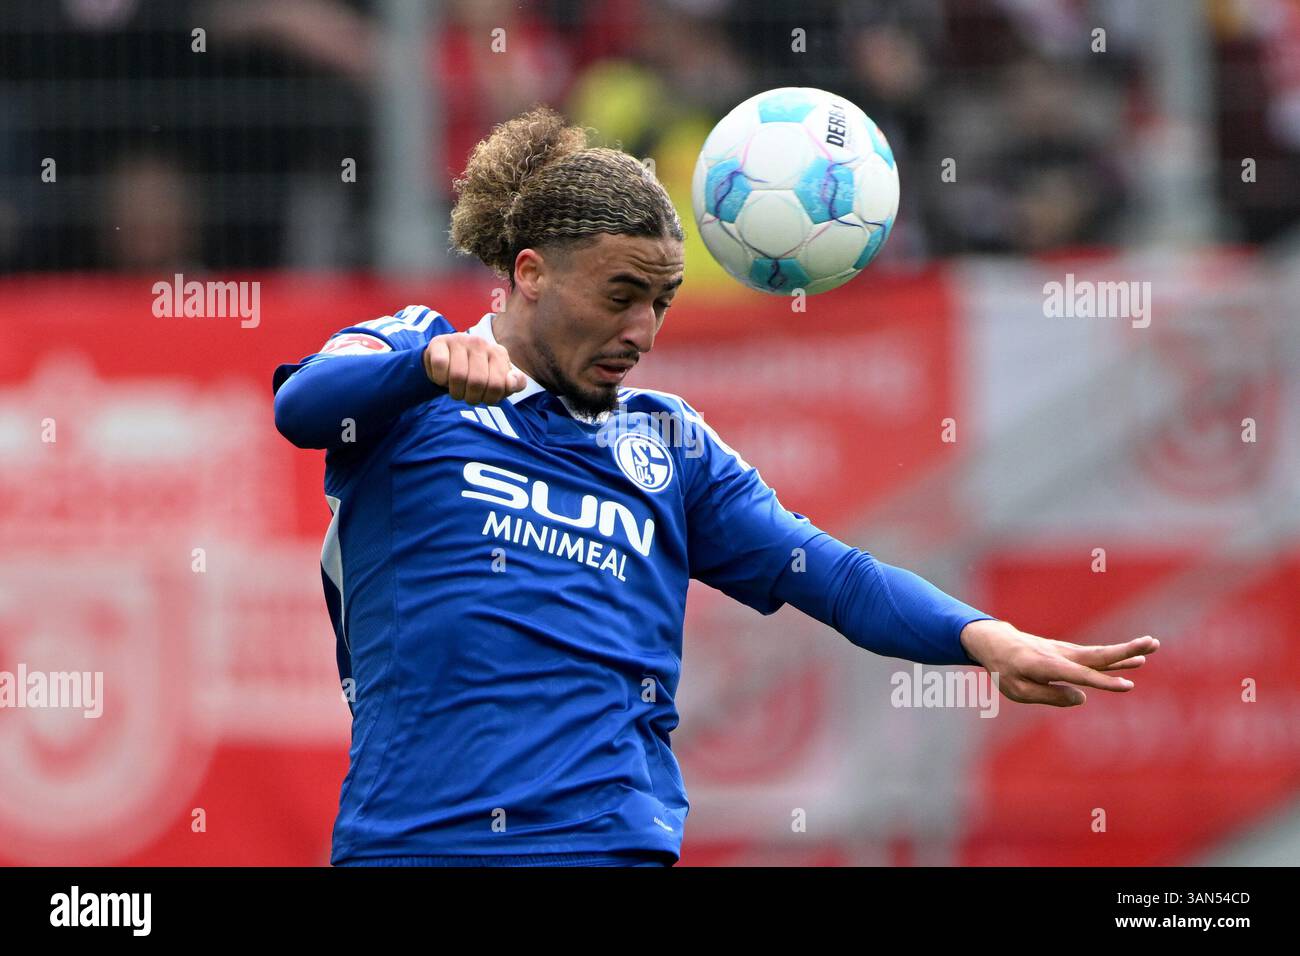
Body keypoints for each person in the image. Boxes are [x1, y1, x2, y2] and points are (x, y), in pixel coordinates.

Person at [272, 107, 1159, 867]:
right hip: (418, 841)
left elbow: (830, 574)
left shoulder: (668, 443)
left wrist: (983, 637)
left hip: (609, 841)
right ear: (530, 273)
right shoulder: (412, 361)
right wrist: (423, 367)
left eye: (661, 301)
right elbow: (301, 408)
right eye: (621, 295)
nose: (642, 331)